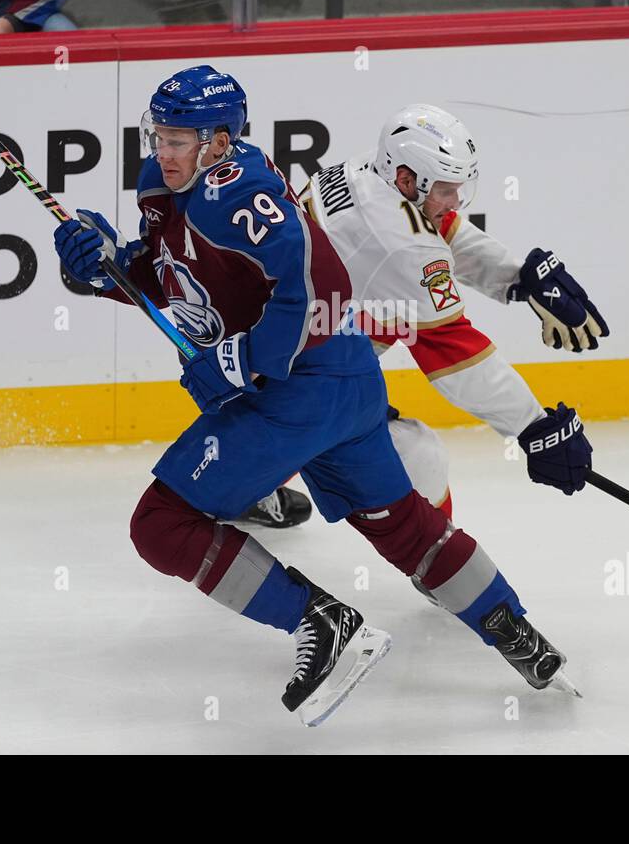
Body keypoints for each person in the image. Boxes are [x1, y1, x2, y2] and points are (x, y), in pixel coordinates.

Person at [52, 67, 587, 725]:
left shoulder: (237, 192)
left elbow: (322, 285)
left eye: (178, 140)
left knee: (160, 524)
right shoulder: (175, 186)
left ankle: (320, 621)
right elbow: (176, 280)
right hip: (345, 380)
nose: (163, 151)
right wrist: (104, 266)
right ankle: (516, 633)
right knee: (401, 524)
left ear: (218, 142)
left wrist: (241, 360)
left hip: (294, 391)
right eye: (158, 136)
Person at [300, 104, 609, 602]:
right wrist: (534, 428)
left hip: (277, 335)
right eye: (446, 188)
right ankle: (437, 567)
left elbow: (438, 229)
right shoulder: (399, 245)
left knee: (385, 319)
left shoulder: (368, 171)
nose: (455, 199)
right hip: (288, 370)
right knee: (419, 453)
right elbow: (454, 355)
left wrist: (517, 278)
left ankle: (257, 475)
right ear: (407, 178)